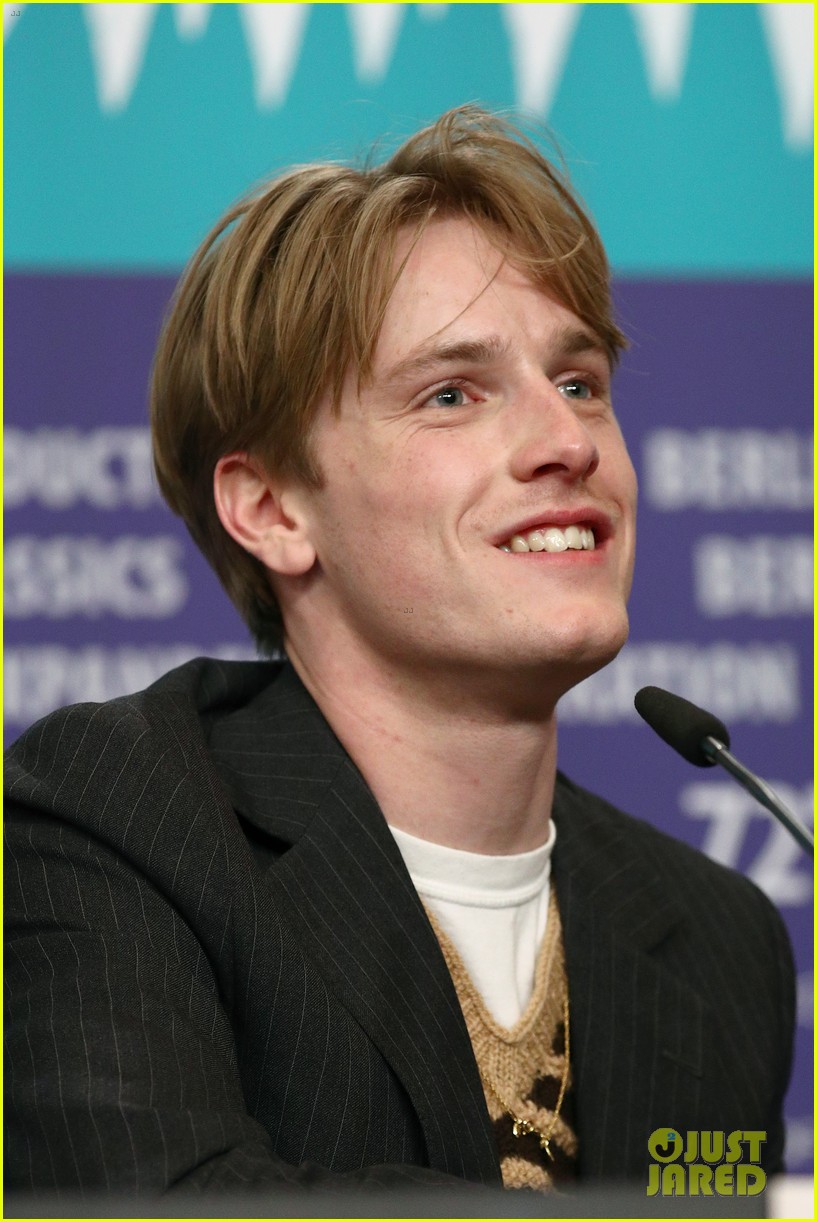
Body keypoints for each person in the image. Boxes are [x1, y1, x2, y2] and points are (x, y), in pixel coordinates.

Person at [5, 106, 794, 1202]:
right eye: (452, 395)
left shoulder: (719, 940)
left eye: (579, 383)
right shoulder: (116, 821)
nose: (568, 441)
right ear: (274, 508)